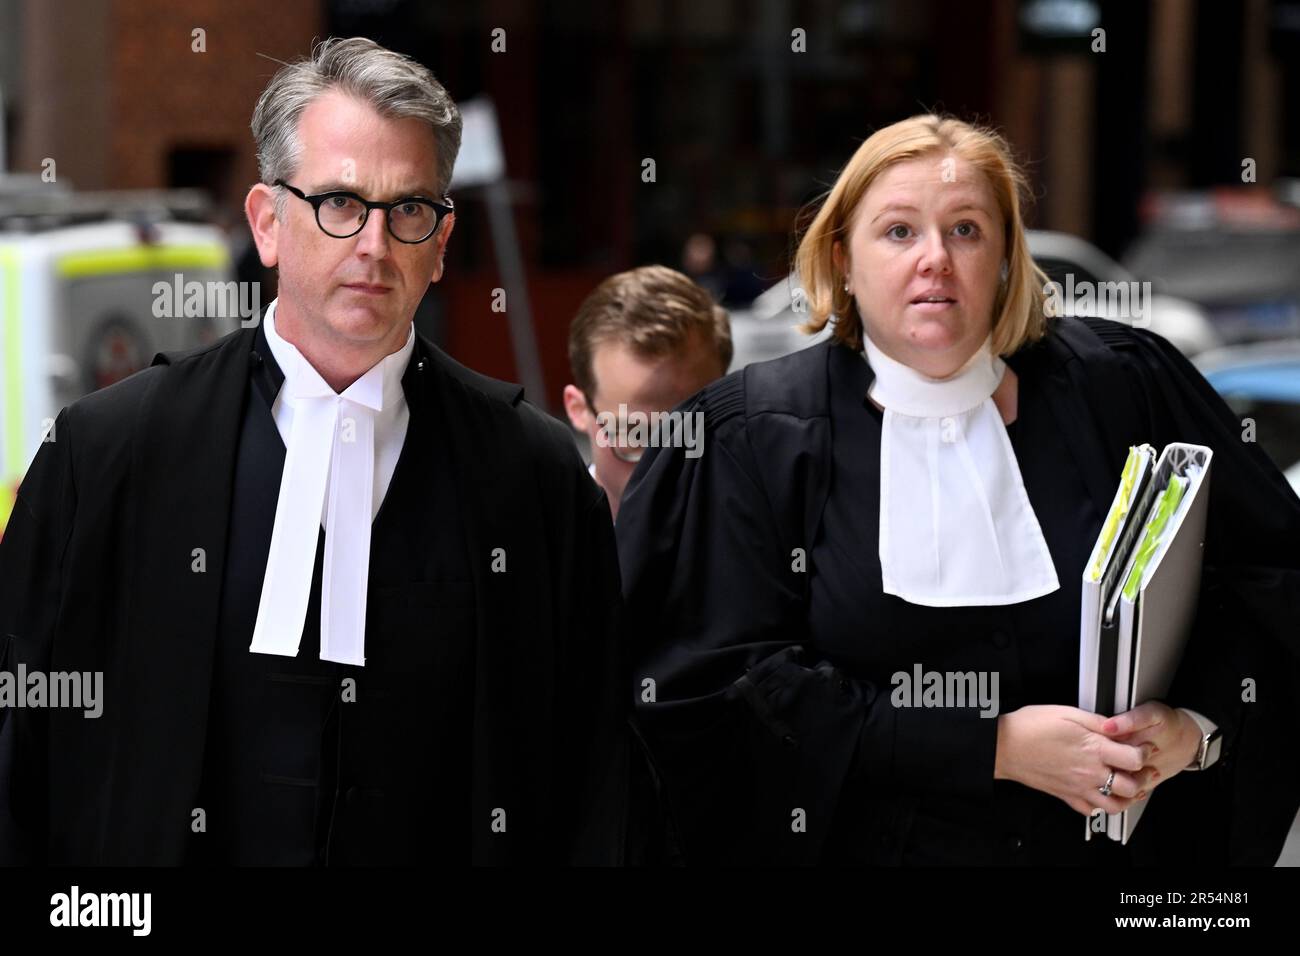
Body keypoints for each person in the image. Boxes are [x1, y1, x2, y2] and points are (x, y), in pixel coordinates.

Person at [0, 37, 629, 866]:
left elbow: (593, 785)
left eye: (408, 209)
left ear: (442, 244)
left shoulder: (538, 481)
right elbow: (20, 760)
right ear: (266, 222)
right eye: (338, 201)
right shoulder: (107, 454)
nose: (373, 244)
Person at [615, 114, 1300, 866]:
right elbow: (725, 688)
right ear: (843, 258)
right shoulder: (752, 438)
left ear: (1006, 254)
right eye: (899, 232)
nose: (935, 259)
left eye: (966, 230)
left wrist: (1193, 727)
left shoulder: (1121, 387)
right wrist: (994, 747)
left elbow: (1267, 587)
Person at [562, 265, 732, 519]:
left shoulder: (771, 536)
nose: (667, 467)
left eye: (695, 428)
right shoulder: (544, 549)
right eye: (637, 434)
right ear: (578, 410)